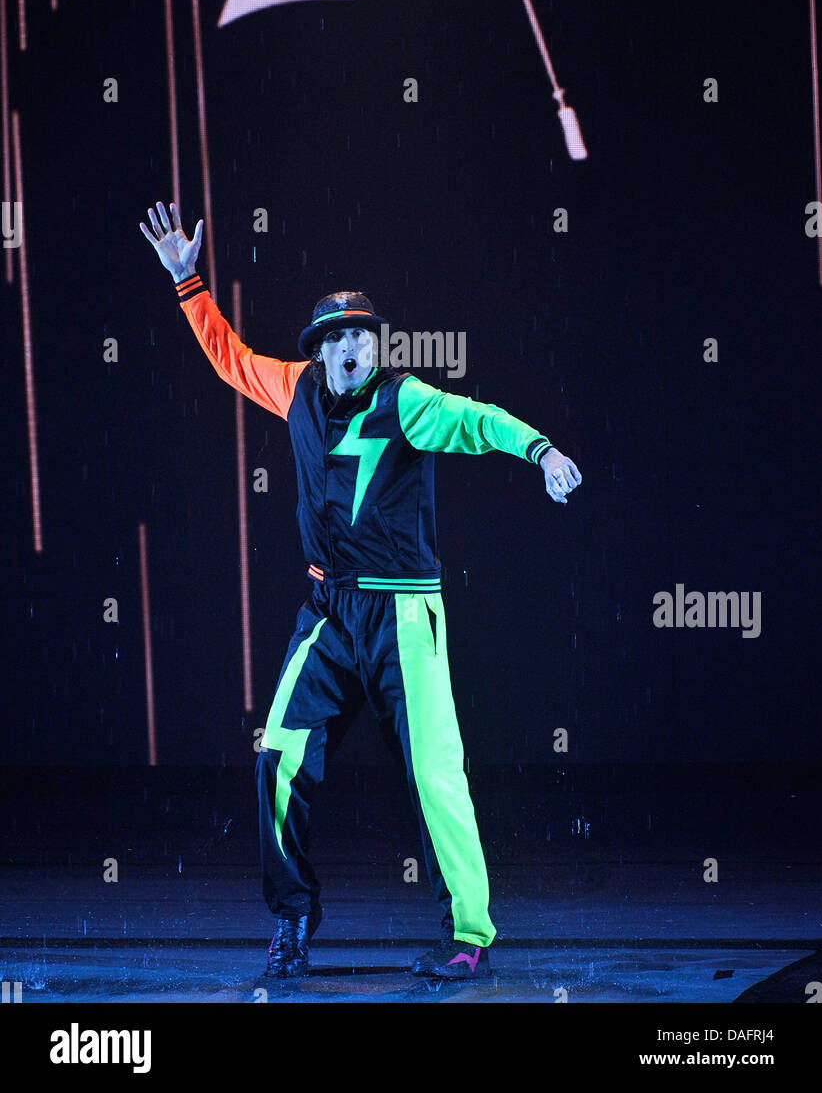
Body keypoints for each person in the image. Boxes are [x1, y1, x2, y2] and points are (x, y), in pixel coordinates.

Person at [140, 200, 582, 982]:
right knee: (277, 757)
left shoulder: (403, 400)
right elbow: (231, 359)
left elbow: (479, 420)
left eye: (361, 336)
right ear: (320, 349)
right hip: (327, 612)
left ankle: (470, 932)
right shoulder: (298, 388)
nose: (351, 347)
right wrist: (188, 284)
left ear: (376, 346)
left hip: (403, 615)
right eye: (338, 337)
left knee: (435, 771)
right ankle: (292, 917)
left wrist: (540, 450)